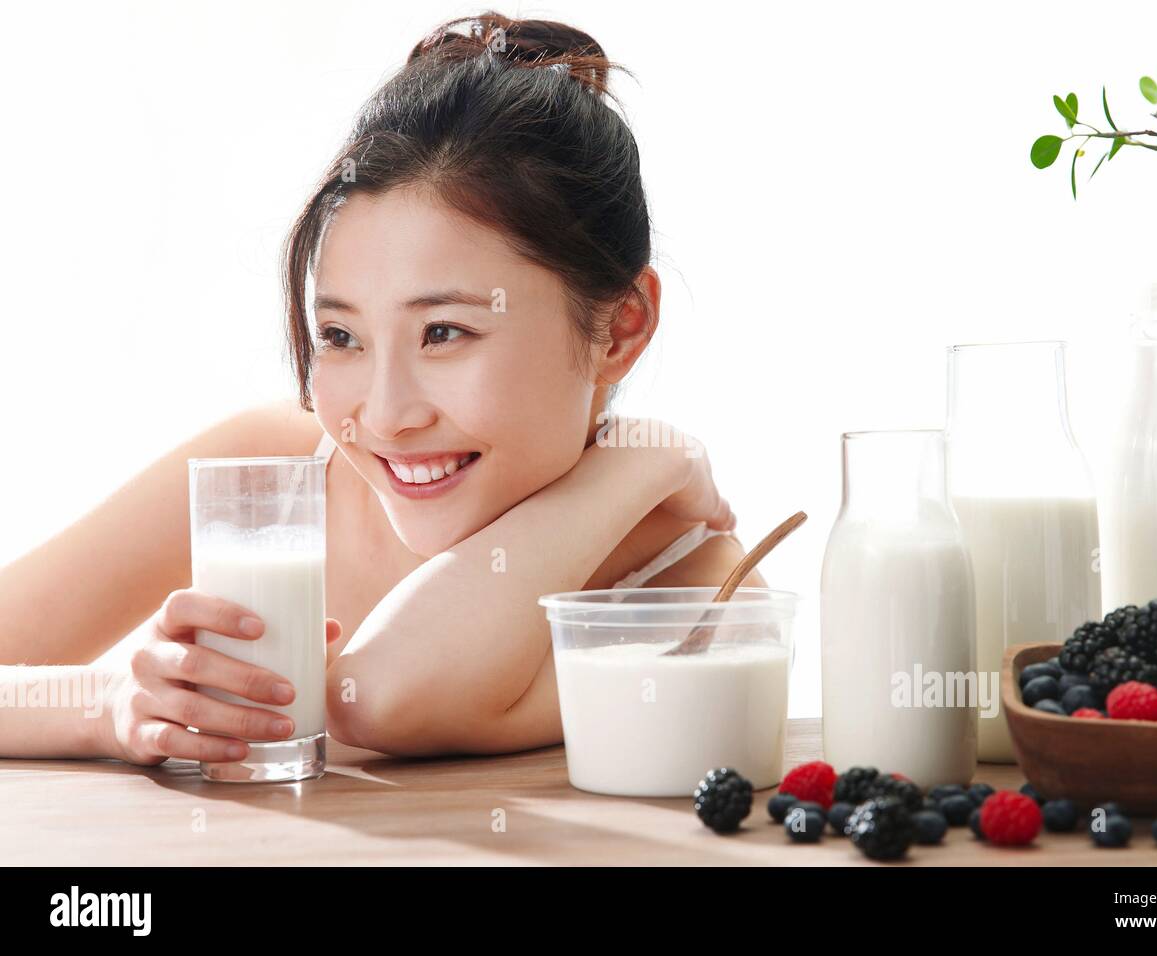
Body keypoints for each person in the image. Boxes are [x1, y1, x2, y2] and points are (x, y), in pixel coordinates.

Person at [0, 13, 759, 765]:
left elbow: (386, 699)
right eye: (341, 338)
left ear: (621, 329)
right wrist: (107, 706)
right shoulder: (273, 480)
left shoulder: (696, 582)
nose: (387, 418)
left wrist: (639, 466)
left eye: (445, 333)